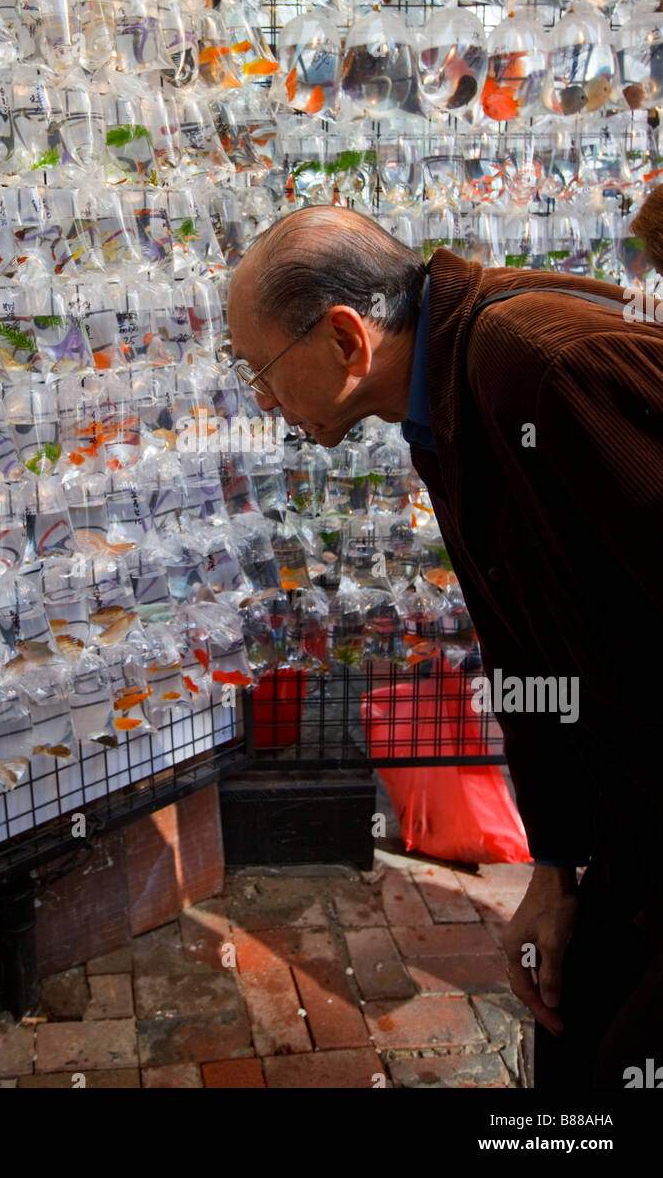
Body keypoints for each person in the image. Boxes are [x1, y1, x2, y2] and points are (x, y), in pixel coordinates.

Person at [226, 203, 663, 1090]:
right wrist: (556, 866)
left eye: (261, 372)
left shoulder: (536, 367)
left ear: (347, 338)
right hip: (631, 827)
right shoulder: (449, 399)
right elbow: (529, 659)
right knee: (569, 1034)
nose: (266, 403)